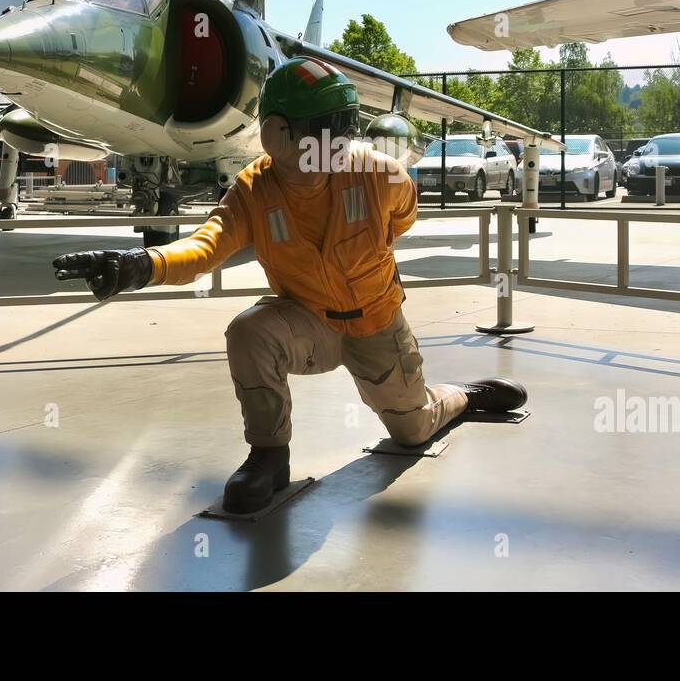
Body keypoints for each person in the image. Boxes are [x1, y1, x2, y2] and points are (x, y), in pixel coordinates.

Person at [53, 57, 527, 514]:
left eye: (345, 127)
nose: (339, 142)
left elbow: (402, 219)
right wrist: (140, 264)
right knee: (250, 331)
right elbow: (206, 247)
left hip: (377, 324)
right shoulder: (254, 191)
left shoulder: (380, 176)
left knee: (414, 430)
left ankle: (462, 396)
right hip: (309, 323)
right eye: (326, 130)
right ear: (277, 135)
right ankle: (268, 458)